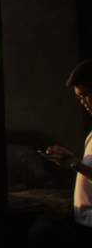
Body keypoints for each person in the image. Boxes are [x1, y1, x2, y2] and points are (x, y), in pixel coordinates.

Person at [40, 59, 92, 228]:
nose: (83, 102)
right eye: (79, 97)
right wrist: (72, 161)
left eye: (86, 95)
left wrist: (75, 164)